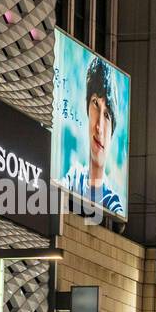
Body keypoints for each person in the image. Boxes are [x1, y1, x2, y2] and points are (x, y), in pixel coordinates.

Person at [62, 57, 124, 216]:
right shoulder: (73, 178)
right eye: (95, 103)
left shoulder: (113, 204)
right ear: (87, 108)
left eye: (107, 115)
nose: (99, 127)